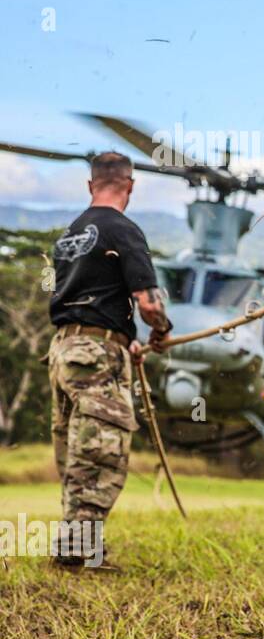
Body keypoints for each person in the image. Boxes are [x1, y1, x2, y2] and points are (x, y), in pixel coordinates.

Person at [48, 151, 171, 570]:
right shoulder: (124, 229)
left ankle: (74, 545)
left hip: (64, 350)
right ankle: (78, 551)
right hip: (98, 354)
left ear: (90, 186)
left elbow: (89, 299)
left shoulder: (70, 233)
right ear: (130, 186)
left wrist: (125, 340)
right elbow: (148, 303)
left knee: (75, 449)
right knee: (101, 449)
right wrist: (159, 331)